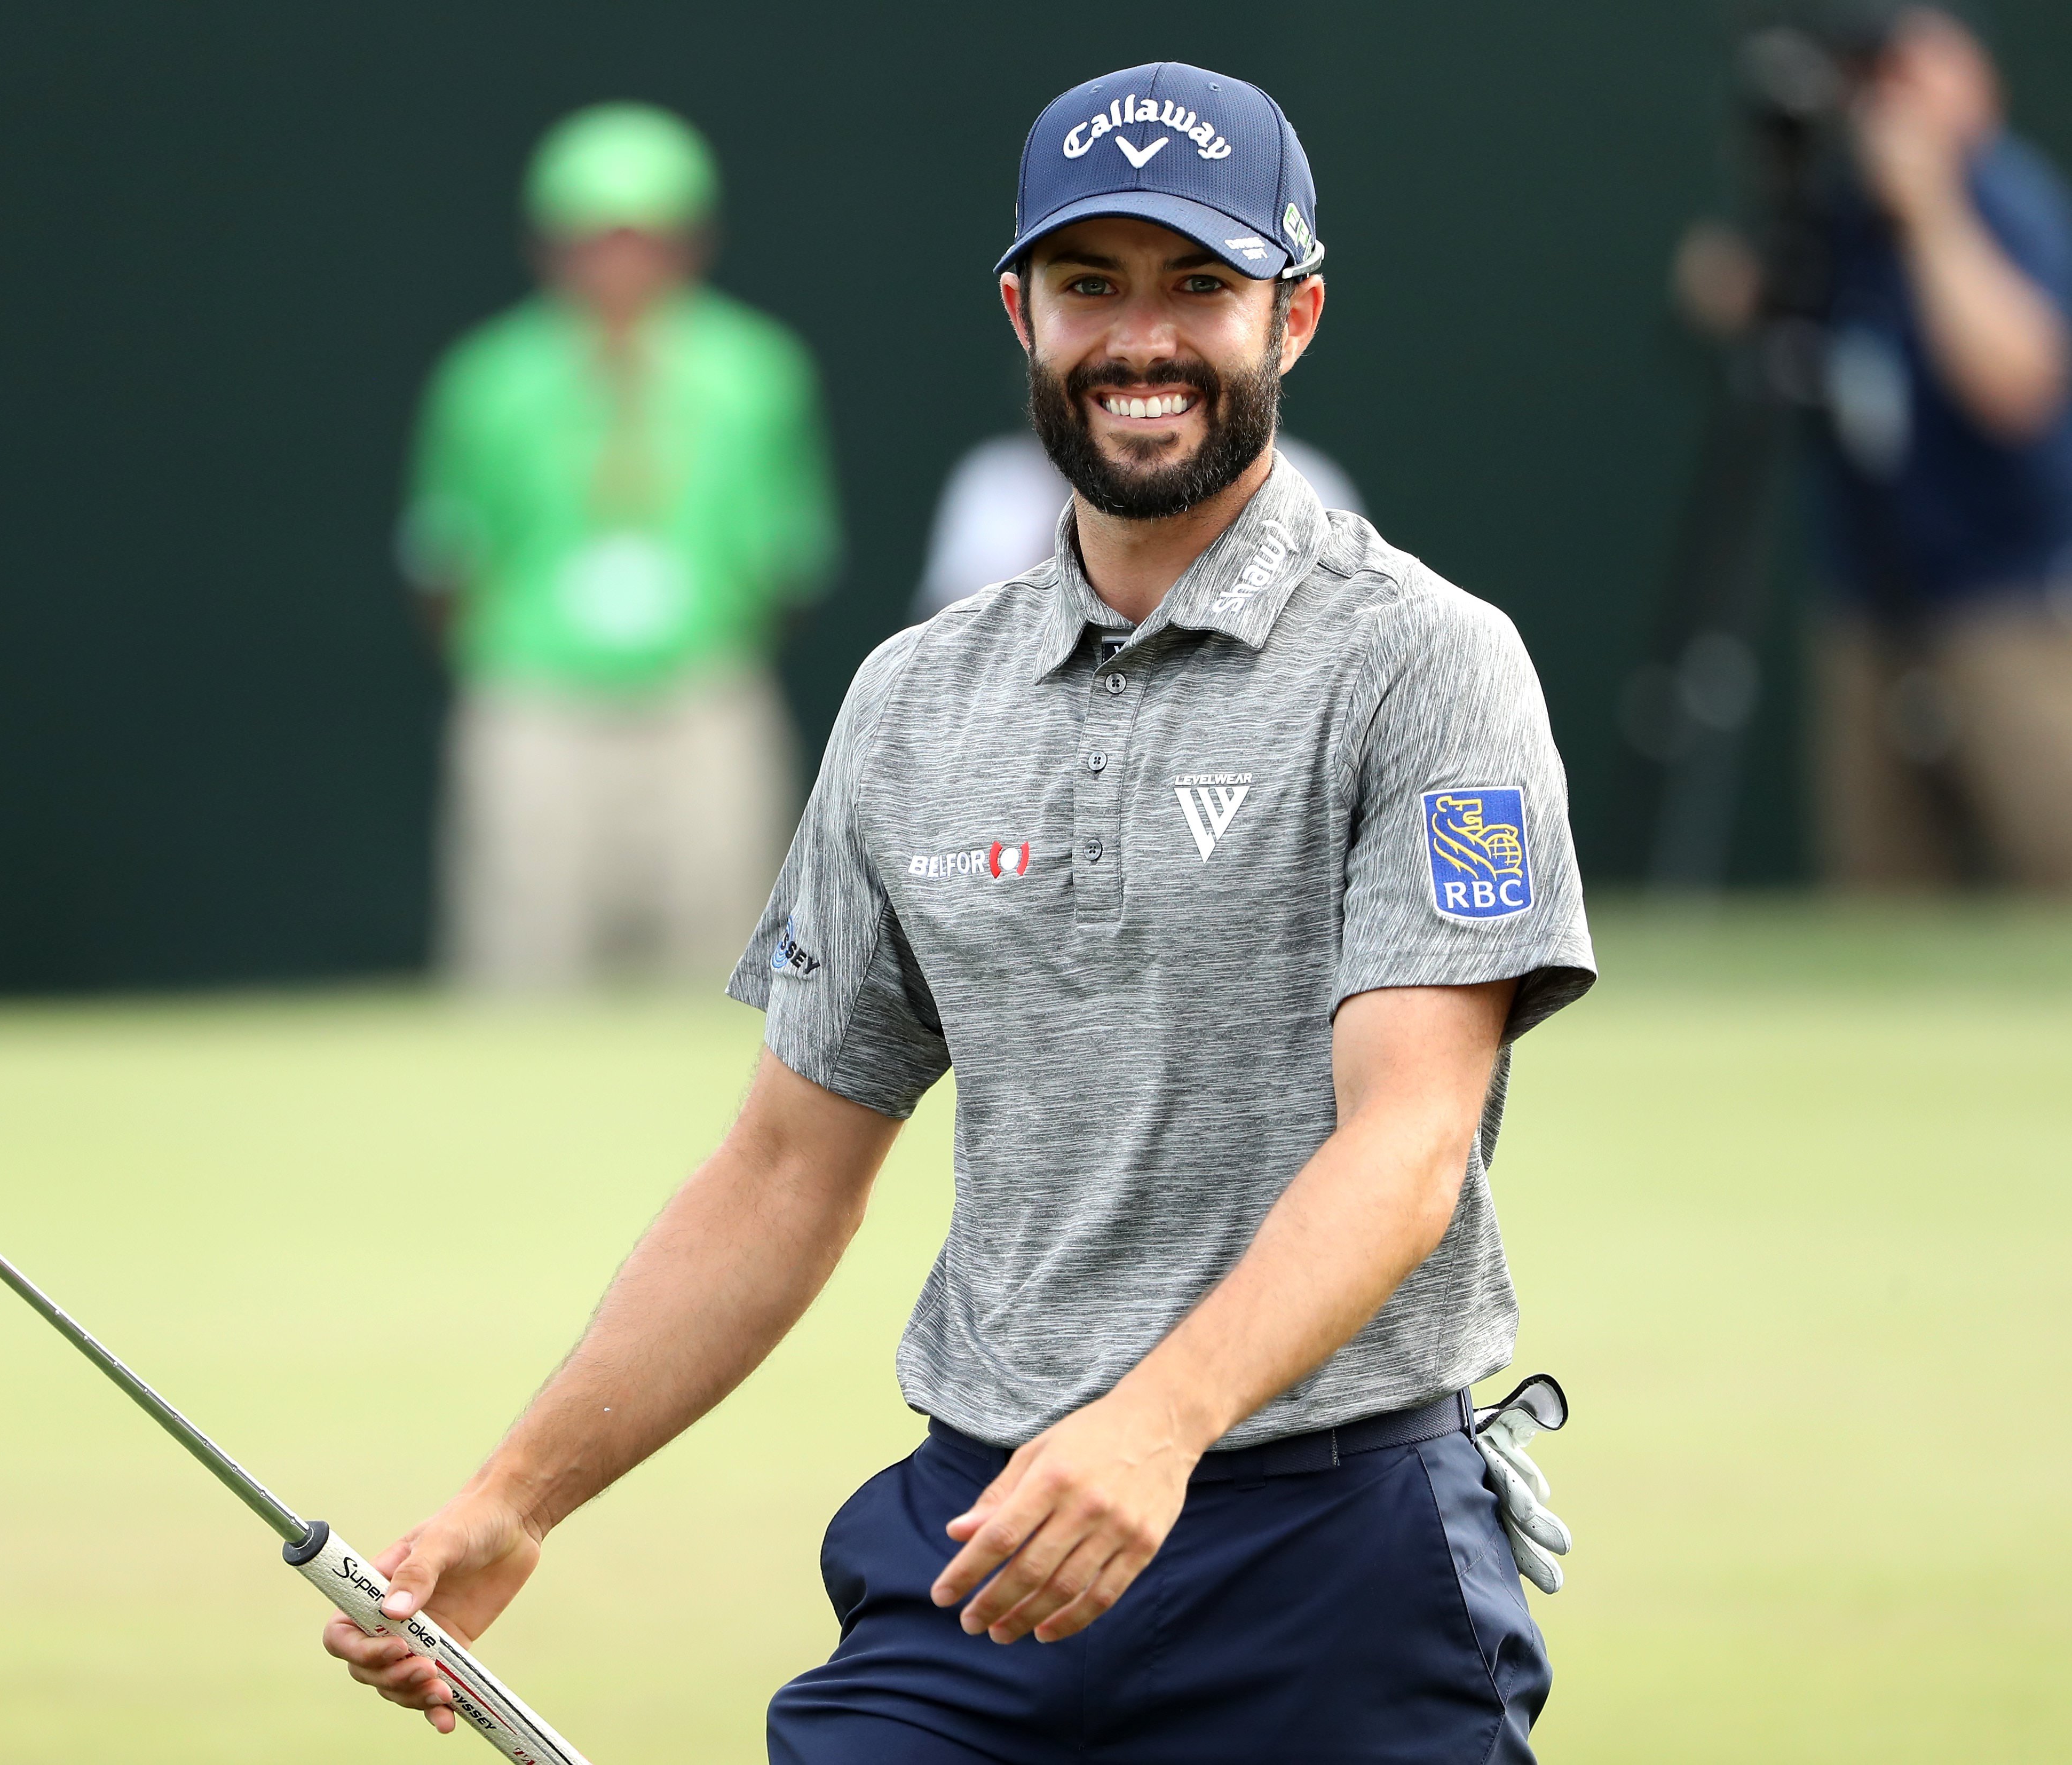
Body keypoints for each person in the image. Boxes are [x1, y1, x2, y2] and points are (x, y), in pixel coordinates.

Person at [333, 61, 1592, 1763]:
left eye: (1199, 286)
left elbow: (1408, 1144)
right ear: (1022, 309)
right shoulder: (913, 700)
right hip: (982, 1549)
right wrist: (516, 1497)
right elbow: (787, 1165)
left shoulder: (1429, 665)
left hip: (1333, 1555)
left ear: (1293, 316)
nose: (1140, 340)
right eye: (1092, 286)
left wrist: (1153, 1430)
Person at [401, 103, 840, 987]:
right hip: (535, 703)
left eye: (646, 237)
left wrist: (710, 651)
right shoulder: (485, 380)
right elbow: (444, 562)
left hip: (702, 699)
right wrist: (515, 660)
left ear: (692, 242)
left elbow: (792, 562)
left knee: (721, 966)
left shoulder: (758, 372)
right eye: (594, 237)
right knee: (524, 957)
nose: (620, 263)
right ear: (549, 245)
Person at [1679, 7, 2072, 885]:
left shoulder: (2008, 201)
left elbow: (2017, 384)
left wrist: (1930, 207)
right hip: (1870, 604)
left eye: (1905, 72)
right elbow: (1749, 307)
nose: (1882, 102)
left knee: (2056, 871)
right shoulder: (1842, 220)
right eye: (1868, 77)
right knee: (1881, 891)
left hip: (2011, 603)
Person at [912, 429, 1365, 620]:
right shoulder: (996, 482)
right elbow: (961, 633)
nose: (1140, 351)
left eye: (1200, 287)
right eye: (1090, 290)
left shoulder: (1310, 482)